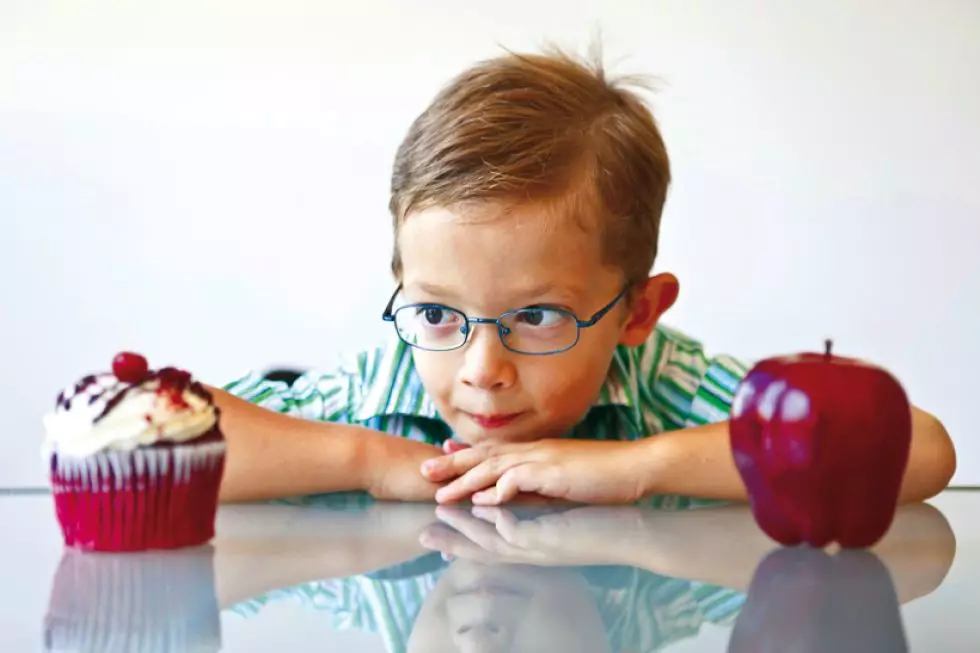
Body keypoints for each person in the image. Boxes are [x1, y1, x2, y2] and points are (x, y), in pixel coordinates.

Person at [213, 45, 956, 506]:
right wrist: (375, 462)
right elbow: (126, 437)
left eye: (536, 316)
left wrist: (638, 466)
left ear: (637, 312)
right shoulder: (377, 391)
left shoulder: (666, 383)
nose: (481, 370)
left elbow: (921, 453)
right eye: (437, 313)